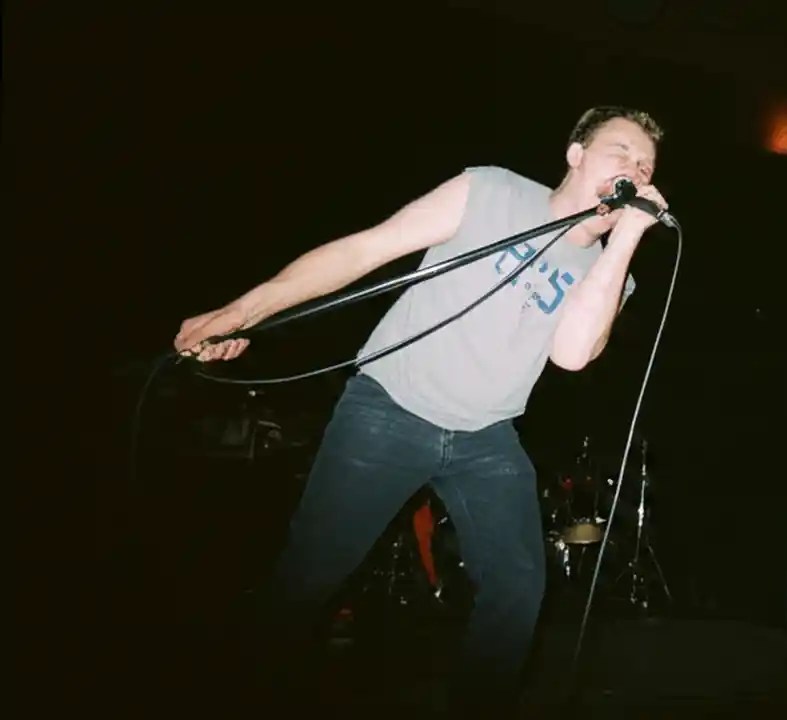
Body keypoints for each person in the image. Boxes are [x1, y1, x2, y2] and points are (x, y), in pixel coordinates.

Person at [173, 105, 667, 708]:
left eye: (646, 166)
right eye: (622, 152)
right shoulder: (489, 190)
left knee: (517, 590)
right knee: (309, 576)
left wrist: (626, 240)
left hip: (485, 437)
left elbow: (570, 356)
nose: (636, 171)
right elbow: (364, 251)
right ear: (576, 154)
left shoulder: (612, 275)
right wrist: (243, 311)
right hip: (390, 407)